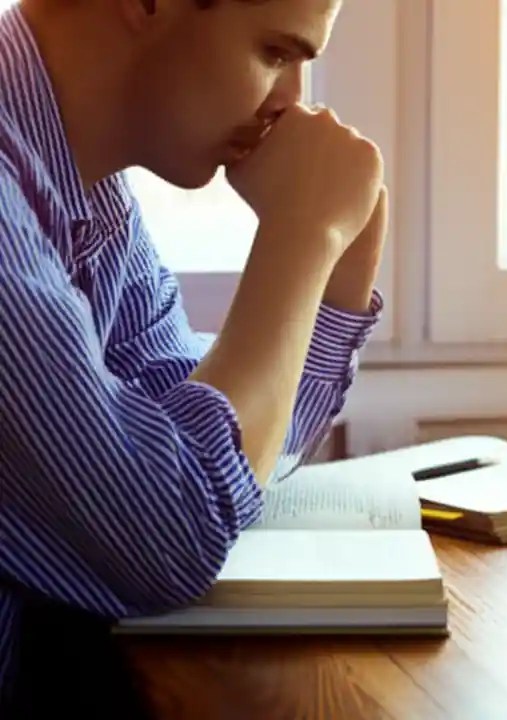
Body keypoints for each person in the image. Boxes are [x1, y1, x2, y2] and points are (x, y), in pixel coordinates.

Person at [0, 0, 386, 709]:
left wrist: (335, 277)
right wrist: (304, 236)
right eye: (275, 53)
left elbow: (217, 449)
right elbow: (171, 532)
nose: (290, 102)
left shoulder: (90, 191)